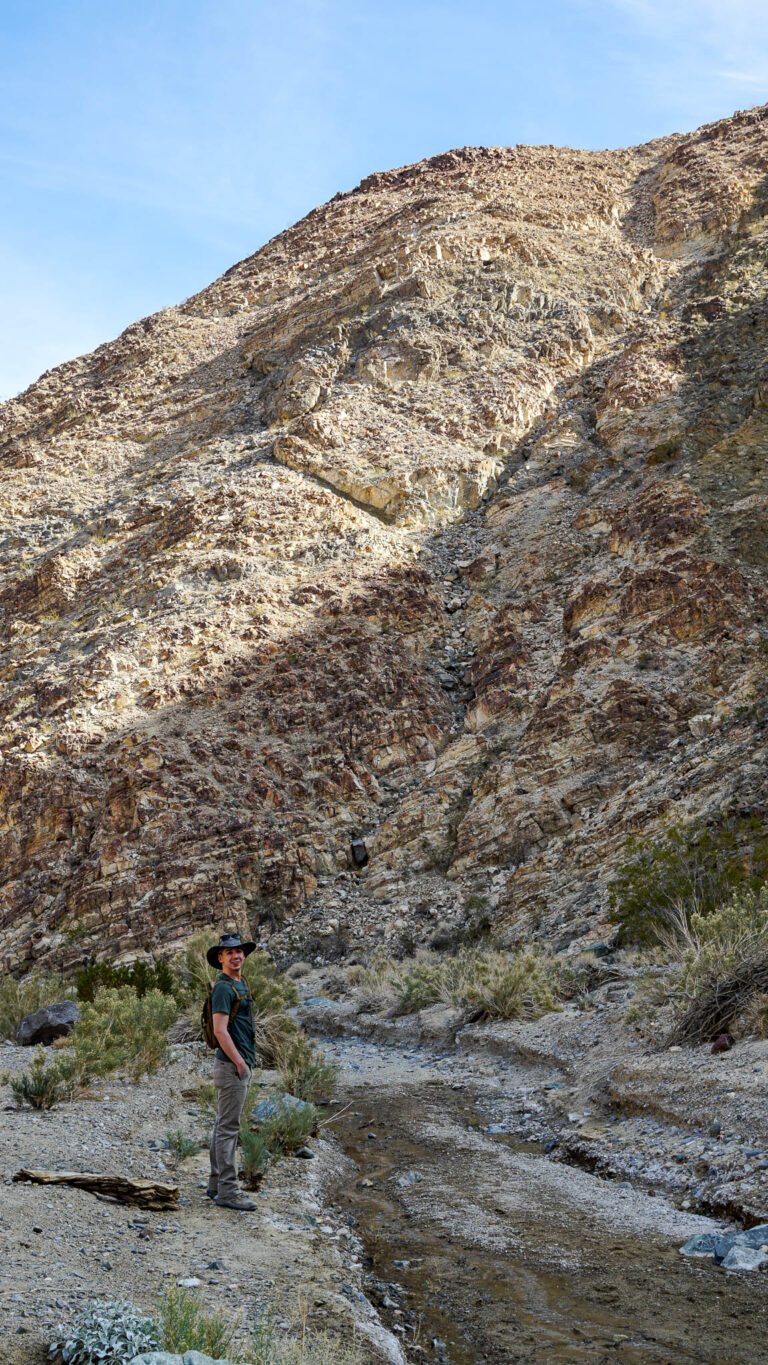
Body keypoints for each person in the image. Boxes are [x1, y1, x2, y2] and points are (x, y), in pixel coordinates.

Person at [206, 932, 258, 1211]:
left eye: (239, 951)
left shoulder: (238, 983)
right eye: (230, 952)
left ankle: (215, 1185)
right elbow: (219, 1030)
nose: (237, 956)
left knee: (222, 1125)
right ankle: (228, 1191)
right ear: (220, 958)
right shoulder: (224, 988)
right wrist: (240, 1062)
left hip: (233, 1065)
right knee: (228, 1129)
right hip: (231, 1067)